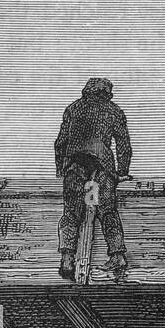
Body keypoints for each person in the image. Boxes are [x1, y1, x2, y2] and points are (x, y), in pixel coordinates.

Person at [55, 77, 132, 283]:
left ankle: (67, 257)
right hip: (102, 168)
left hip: (76, 167)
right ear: (107, 93)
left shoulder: (73, 108)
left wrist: (60, 170)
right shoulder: (114, 111)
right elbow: (124, 145)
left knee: (71, 212)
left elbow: (60, 143)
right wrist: (122, 172)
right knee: (106, 210)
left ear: (87, 90)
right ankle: (117, 255)